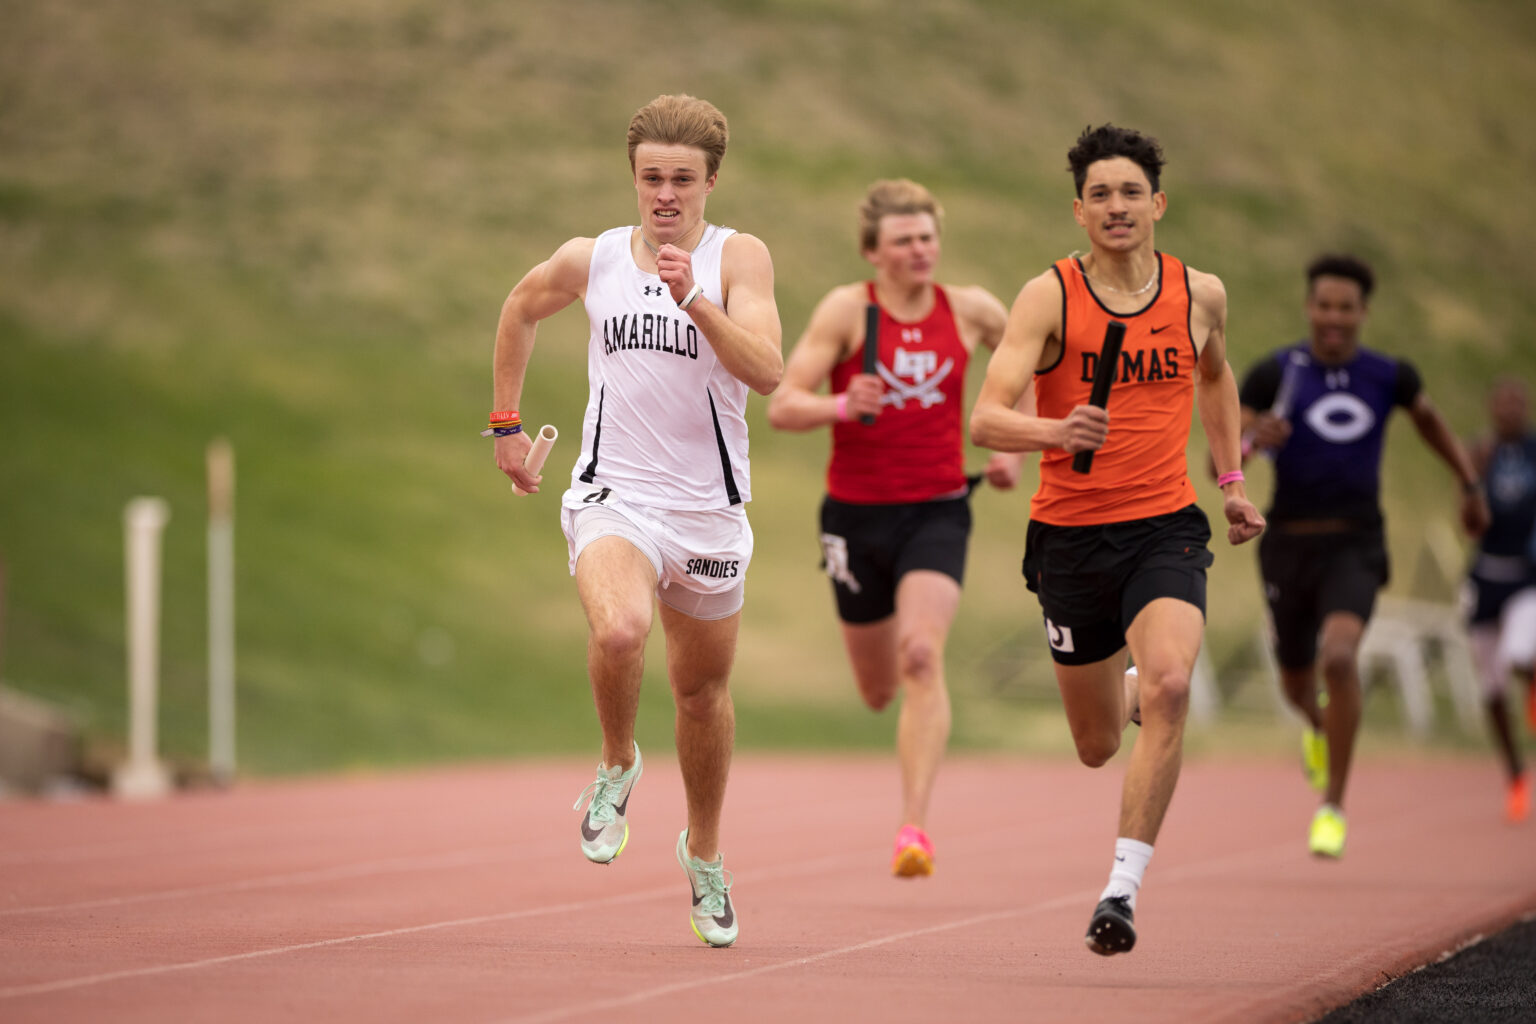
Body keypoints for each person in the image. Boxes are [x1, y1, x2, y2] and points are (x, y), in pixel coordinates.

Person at [490, 94, 783, 948]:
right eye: (651, 177)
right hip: (615, 496)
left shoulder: (740, 257)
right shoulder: (595, 259)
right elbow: (518, 307)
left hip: (710, 517)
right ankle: (617, 762)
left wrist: (698, 300)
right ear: (633, 177)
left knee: (701, 695)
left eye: (682, 180)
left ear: (711, 181)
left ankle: (705, 855)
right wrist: (507, 429)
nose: (665, 194)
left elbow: (766, 371)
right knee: (620, 632)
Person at [970, 124, 1265, 956]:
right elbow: (985, 418)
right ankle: (1126, 691)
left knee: (1173, 682)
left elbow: (1213, 373)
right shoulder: (1050, 297)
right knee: (1098, 743)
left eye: (1131, 192)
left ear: (1158, 203)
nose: (1117, 207)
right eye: (1100, 194)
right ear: (1079, 211)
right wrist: (1057, 429)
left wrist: (1232, 482)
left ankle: (1121, 891)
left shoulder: (1197, 294)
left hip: (1164, 527)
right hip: (1068, 541)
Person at [766, 179, 1018, 878]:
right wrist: (841, 404)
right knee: (879, 689)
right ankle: (902, 769)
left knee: (920, 657)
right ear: (873, 251)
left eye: (928, 237)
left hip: (937, 508)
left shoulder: (971, 311)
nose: (920, 250)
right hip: (853, 517)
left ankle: (914, 829)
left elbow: (1033, 365)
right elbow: (783, 405)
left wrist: (1010, 447)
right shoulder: (848, 311)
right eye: (904, 240)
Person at [1237, 253, 1489, 857]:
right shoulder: (1277, 374)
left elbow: (1430, 421)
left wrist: (1468, 483)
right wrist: (1250, 442)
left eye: (1346, 308)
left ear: (1362, 313)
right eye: (1324, 305)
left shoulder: (1388, 375)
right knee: (1297, 683)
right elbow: (1226, 450)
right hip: (1288, 543)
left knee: (1341, 658)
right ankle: (1321, 727)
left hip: (1356, 542)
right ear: (1309, 307)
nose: (1334, 318)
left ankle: (1333, 808)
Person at [1462, 377, 1536, 823]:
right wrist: (1471, 480)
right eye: (1502, 403)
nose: (1509, 410)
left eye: (1517, 403)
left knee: (1520, 651)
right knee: (1490, 687)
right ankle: (1514, 774)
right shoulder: (1479, 455)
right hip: (1485, 575)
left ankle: (1531, 694)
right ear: (1492, 408)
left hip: (1528, 577)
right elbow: (1467, 524)